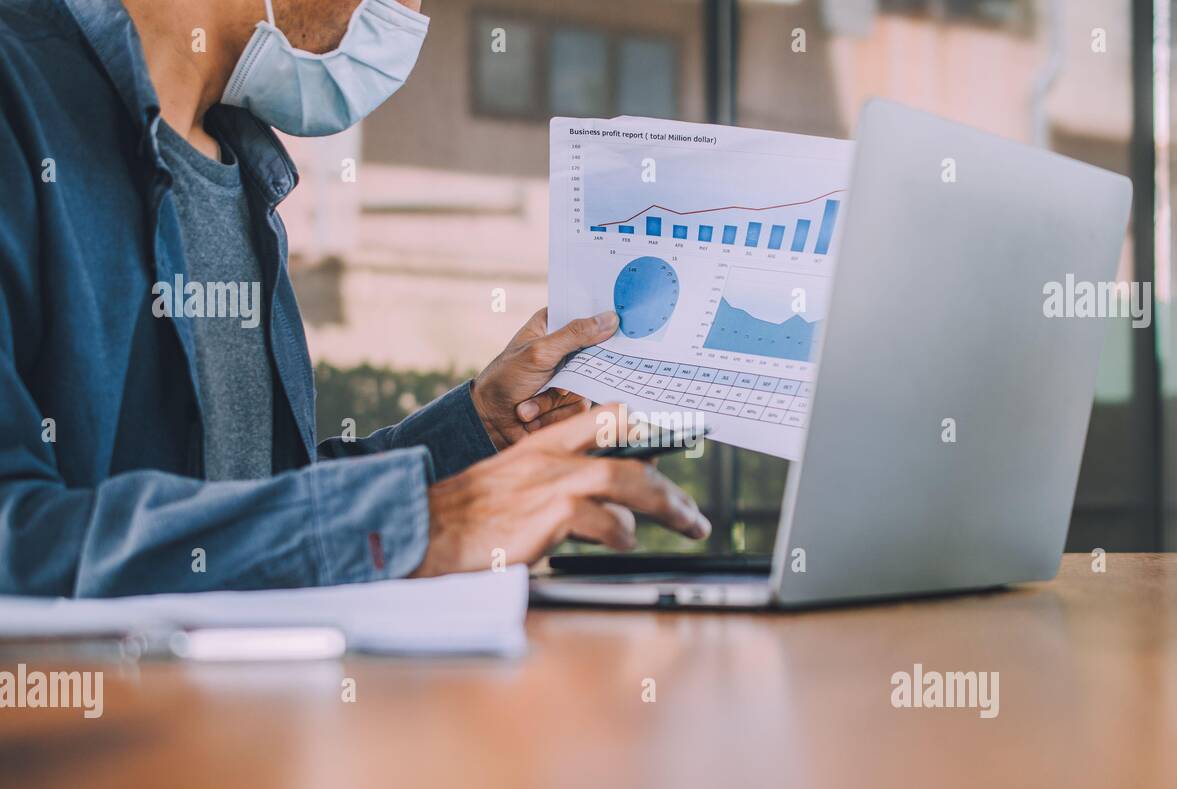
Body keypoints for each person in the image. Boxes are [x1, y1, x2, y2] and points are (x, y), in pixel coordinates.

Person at [0, 0, 709, 597]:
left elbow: (260, 514)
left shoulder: (241, 172)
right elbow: (17, 535)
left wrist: (473, 437)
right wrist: (412, 527)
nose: (412, 14)